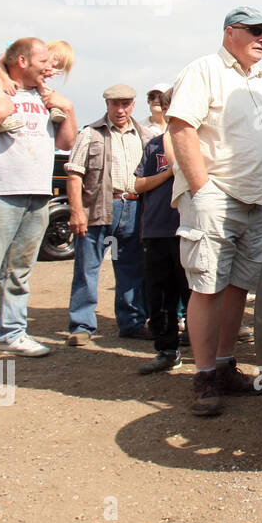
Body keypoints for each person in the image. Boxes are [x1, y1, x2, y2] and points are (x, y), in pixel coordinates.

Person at [168, 6, 262, 416]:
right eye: (255, 31)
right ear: (229, 33)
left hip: (256, 200)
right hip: (217, 196)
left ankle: (224, 366)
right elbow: (182, 126)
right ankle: (203, 375)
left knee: (239, 285)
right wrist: (201, 189)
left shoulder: (260, 83)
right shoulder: (203, 70)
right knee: (207, 285)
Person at [0, 38, 78, 368]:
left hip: (37, 196)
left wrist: (68, 109)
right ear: (22, 61)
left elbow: (67, 144)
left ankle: (12, 334)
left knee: (21, 271)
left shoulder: (45, 99)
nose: (49, 66)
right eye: (43, 60)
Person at [64, 84, 151, 345]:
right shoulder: (90, 134)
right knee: (87, 268)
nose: (121, 109)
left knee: (132, 269)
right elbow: (74, 173)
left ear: (133, 105)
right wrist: (76, 210)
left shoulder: (144, 136)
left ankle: (133, 322)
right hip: (98, 207)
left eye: (126, 103)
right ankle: (81, 325)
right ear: (107, 105)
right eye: (116, 104)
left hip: (134, 207)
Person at [134, 87, 189, 374]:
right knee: (160, 295)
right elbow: (138, 185)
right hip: (156, 228)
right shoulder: (154, 144)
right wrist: (167, 172)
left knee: (192, 294)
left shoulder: (197, 144)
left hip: (185, 229)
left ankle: (202, 350)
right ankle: (167, 350)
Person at [0, 39, 75, 135]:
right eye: (54, 59)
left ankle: (54, 109)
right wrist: (5, 79)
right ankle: (3, 116)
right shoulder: (20, 49)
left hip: (6, 78)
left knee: (43, 86)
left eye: (57, 67)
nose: (52, 66)